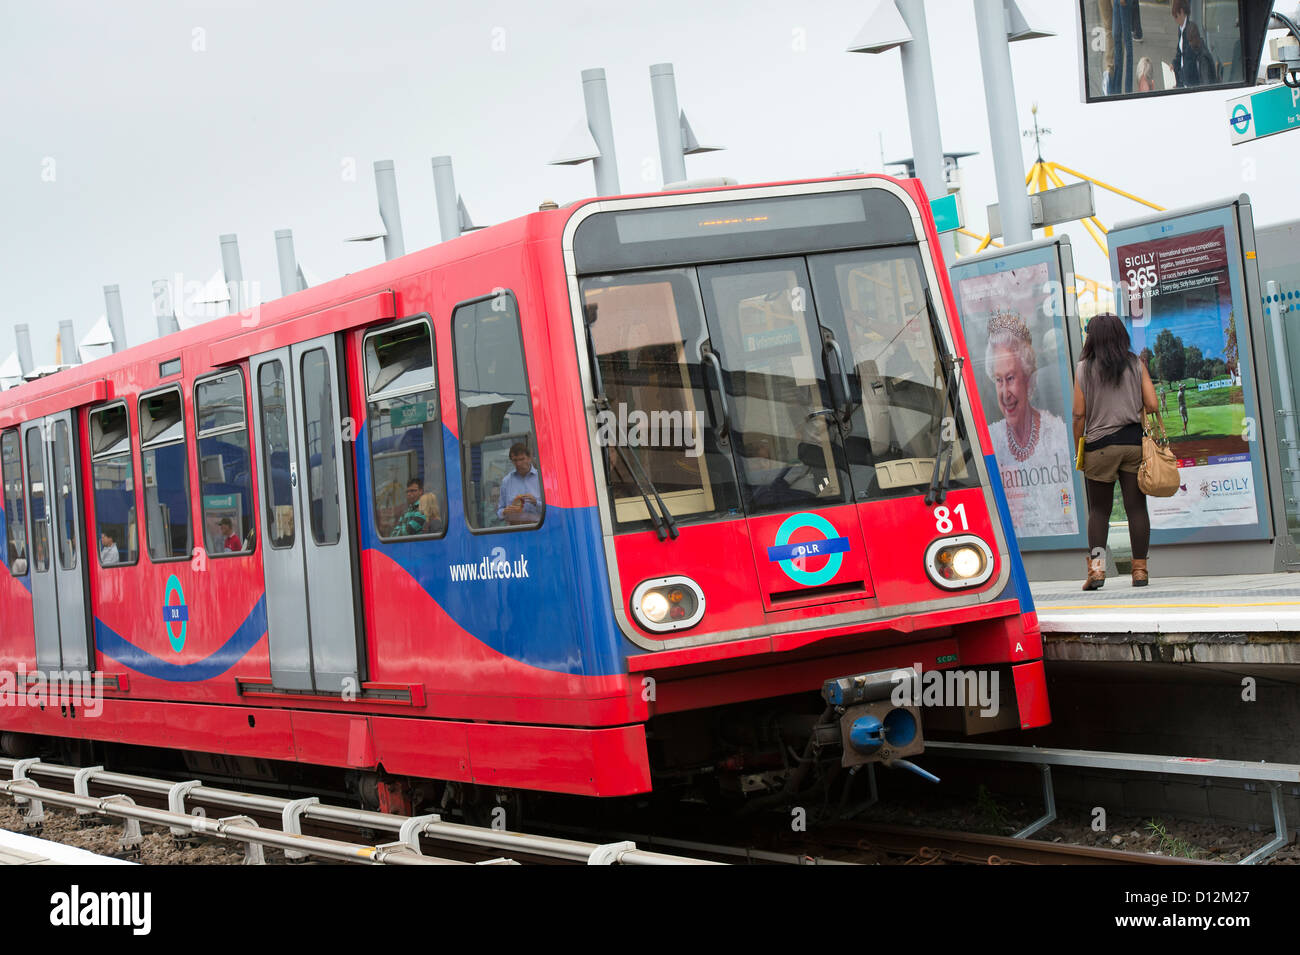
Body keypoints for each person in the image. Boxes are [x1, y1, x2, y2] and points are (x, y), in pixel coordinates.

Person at [1073, 313, 1158, 590]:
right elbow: (1153, 404)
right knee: (1136, 508)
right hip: (1132, 444)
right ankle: (1140, 571)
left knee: (1099, 512)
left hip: (1098, 447)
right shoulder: (1136, 364)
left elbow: (1078, 414)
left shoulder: (1084, 368)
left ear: (1092, 338)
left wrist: (1079, 448)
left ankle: (1097, 573)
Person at [984, 311, 1074, 538]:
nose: (1005, 393)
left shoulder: (1057, 435)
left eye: (1011, 378)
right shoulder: (991, 440)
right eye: (998, 380)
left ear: (1028, 381)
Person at [497, 443, 543, 525]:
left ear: (529, 458)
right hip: (514, 529)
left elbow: (553, 509)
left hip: (537, 527)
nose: (518, 464)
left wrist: (536, 502)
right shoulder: (506, 481)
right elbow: (499, 511)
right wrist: (504, 512)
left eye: (522, 459)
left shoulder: (542, 479)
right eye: (515, 460)